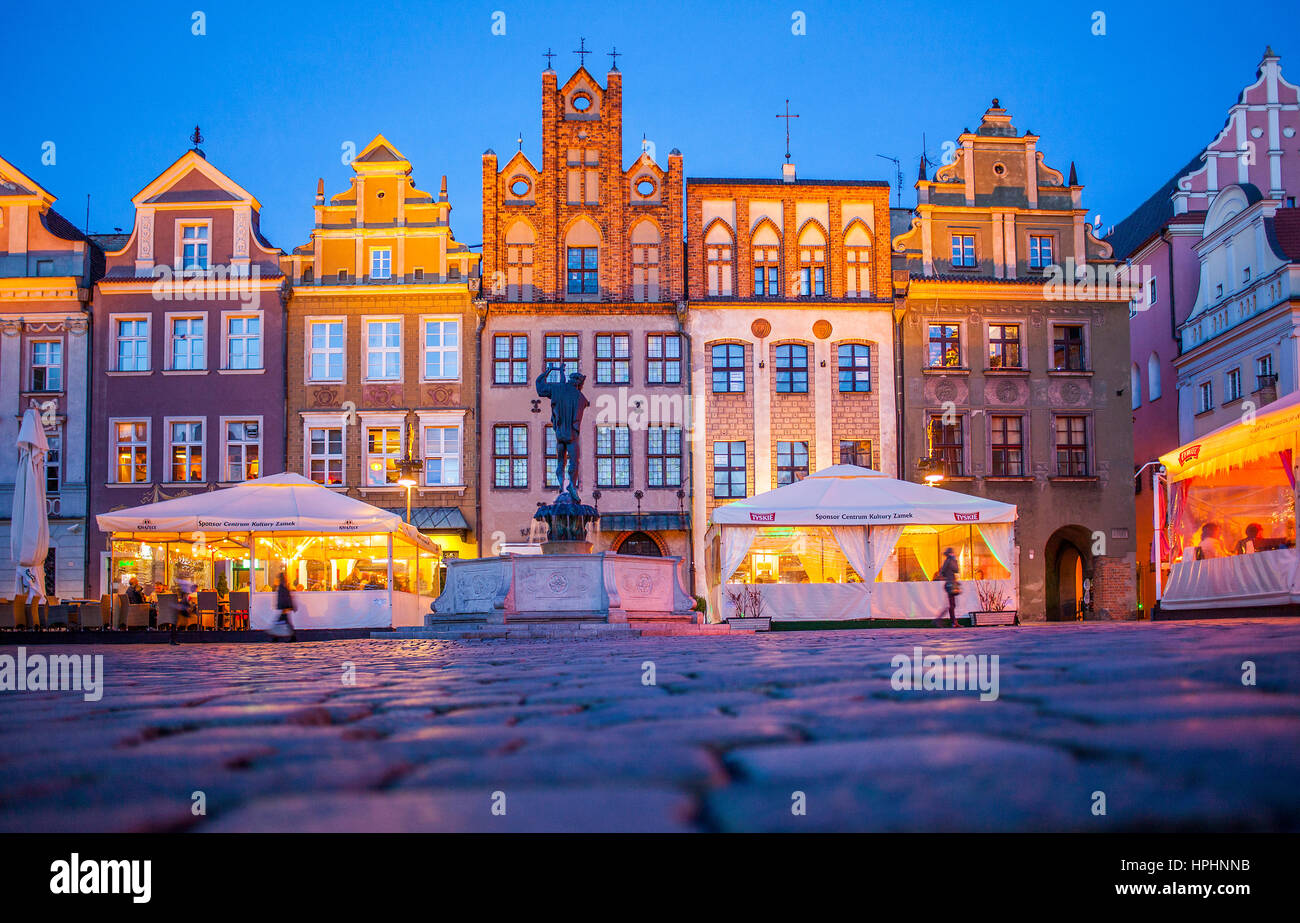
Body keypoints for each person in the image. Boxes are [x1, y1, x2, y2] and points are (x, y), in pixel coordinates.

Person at [937, 548, 962, 627]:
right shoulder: (950, 561)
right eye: (952, 553)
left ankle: (953, 622)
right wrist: (955, 561)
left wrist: (947, 577)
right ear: (950, 554)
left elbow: (942, 572)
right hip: (951, 584)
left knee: (951, 604)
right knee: (952, 604)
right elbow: (956, 570)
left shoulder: (946, 561)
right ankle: (949, 621)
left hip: (949, 583)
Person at [269, 571, 296, 641]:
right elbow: (286, 597)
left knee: (281, 622)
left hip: (284, 608)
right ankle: (291, 637)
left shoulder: (281, 587)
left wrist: (282, 606)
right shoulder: (284, 587)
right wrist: (290, 606)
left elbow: (283, 598)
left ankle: (276, 637)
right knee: (285, 622)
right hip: (284, 608)